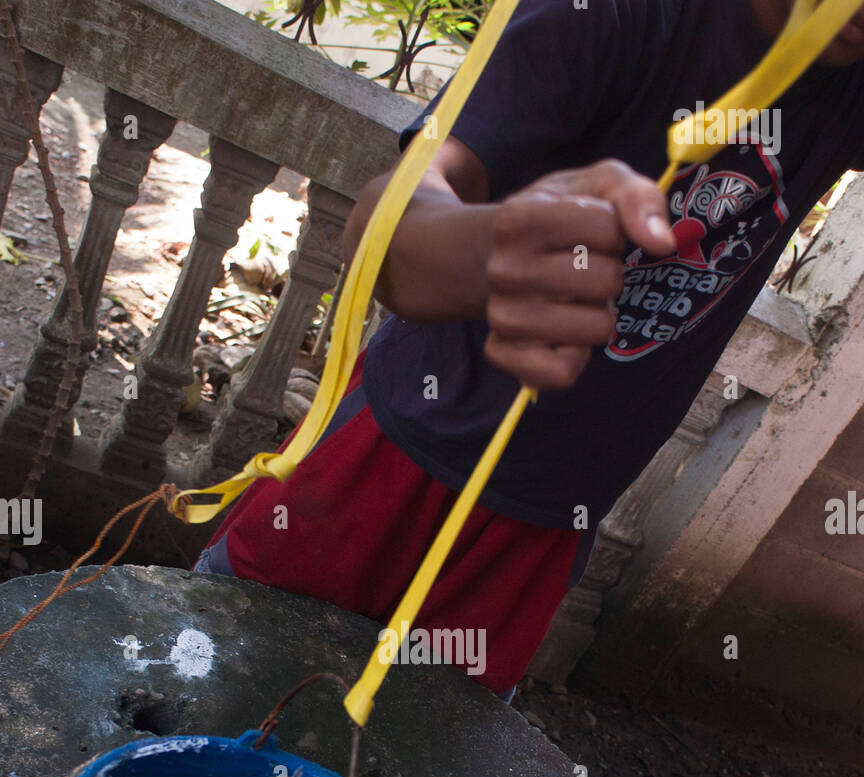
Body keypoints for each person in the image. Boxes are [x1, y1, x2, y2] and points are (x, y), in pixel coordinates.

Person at [196, 0, 864, 701]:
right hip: (390, 454)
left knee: (421, 763)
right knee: (230, 682)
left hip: (550, 522)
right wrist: (486, 250)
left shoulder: (844, 84)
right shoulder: (607, 16)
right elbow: (393, 216)